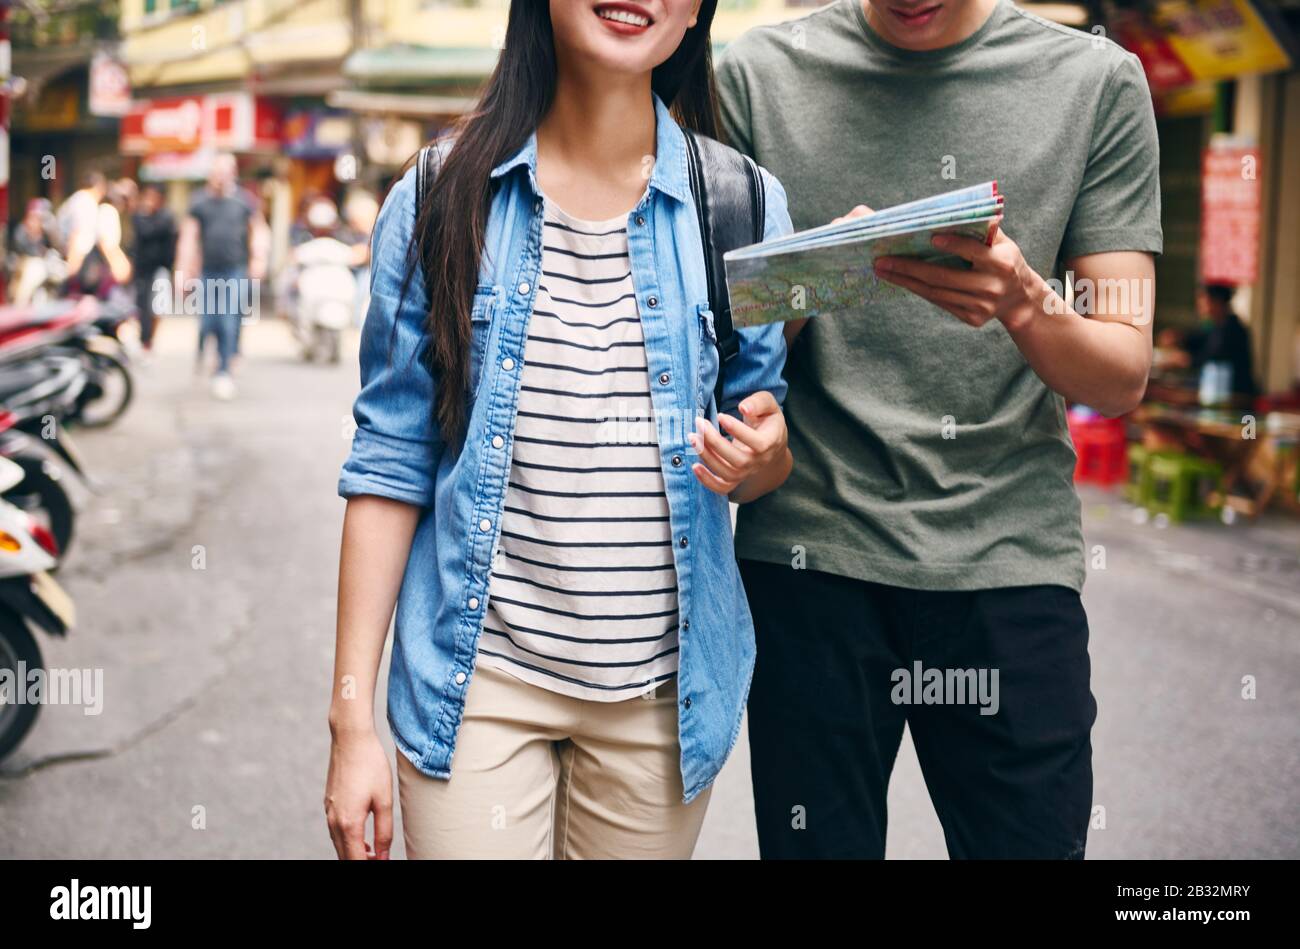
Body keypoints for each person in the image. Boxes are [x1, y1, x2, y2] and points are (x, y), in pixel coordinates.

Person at [327, 0, 794, 860]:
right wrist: (350, 724)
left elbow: (762, 437)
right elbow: (389, 464)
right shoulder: (438, 195)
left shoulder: (743, 205)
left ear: (695, 11)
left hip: (661, 700)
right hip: (478, 690)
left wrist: (761, 456)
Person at [716, 0, 1162, 859]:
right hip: (813, 558)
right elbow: (720, 343)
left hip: (1010, 561)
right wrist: (815, 278)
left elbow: (1122, 371)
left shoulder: (1096, 82)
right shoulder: (755, 78)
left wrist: (1026, 304)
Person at [177, 153, 269, 400]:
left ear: (233, 173)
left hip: (235, 270)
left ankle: (224, 371)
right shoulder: (199, 202)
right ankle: (209, 357)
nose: (220, 176)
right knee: (208, 320)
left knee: (229, 318)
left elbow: (258, 229)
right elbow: (188, 237)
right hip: (208, 271)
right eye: (216, 171)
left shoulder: (244, 200)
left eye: (225, 171)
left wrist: (258, 259)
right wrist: (183, 271)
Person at [1161, 283, 1257, 400]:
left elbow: (1213, 354)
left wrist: (1185, 360)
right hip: (1220, 393)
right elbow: (1198, 339)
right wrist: (1178, 337)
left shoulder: (1233, 329)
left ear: (1218, 302)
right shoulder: (1216, 326)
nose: (1200, 307)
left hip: (1237, 396)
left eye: (1204, 301)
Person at [129, 183, 178, 354]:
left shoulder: (166, 218)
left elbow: (154, 233)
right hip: (142, 269)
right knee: (141, 305)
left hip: (160, 268)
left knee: (157, 307)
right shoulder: (140, 216)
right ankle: (143, 340)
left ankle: (150, 340)